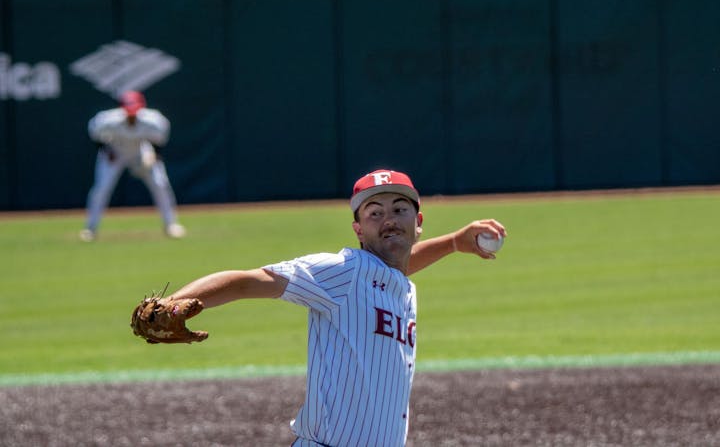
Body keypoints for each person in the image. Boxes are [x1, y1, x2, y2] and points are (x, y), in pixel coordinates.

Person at [154, 169, 506, 446]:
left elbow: (395, 264)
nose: (389, 220)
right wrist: (173, 305)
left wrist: (455, 243)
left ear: (419, 223)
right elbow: (248, 281)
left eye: (400, 210)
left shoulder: (395, 283)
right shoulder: (343, 271)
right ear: (357, 229)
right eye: (374, 212)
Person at [80, 90, 185, 241]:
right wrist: (106, 150)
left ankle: (171, 224)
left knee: (160, 183)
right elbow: (94, 134)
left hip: (141, 151)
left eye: (135, 110)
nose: (132, 114)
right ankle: (90, 228)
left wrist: (154, 154)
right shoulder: (107, 120)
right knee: (102, 188)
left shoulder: (154, 120)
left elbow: (160, 141)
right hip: (115, 152)